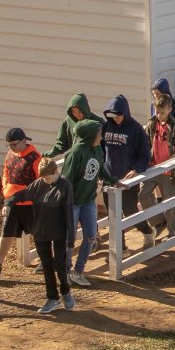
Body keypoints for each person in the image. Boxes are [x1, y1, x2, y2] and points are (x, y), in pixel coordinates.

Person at [99, 94, 152, 251]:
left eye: (119, 115)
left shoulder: (135, 129)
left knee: (130, 211)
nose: (116, 118)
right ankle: (120, 249)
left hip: (127, 179)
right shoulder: (106, 127)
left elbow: (145, 154)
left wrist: (136, 169)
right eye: (114, 115)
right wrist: (101, 172)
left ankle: (148, 231)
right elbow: (100, 151)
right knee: (113, 215)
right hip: (109, 178)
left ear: (125, 112)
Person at [59, 118, 106, 286]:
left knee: (91, 236)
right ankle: (65, 271)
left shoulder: (97, 149)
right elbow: (66, 181)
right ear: (90, 135)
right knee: (68, 238)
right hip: (73, 202)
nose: (101, 136)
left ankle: (78, 271)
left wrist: (113, 180)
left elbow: (101, 169)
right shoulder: (75, 153)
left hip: (89, 201)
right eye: (99, 133)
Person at [24, 157, 75, 314]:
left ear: (55, 172)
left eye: (48, 177)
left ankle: (65, 291)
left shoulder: (65, 185)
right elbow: (23, 196)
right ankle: (52, 297)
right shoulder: (39, 184)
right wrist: (8, 204)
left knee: (59, 263)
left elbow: (68, 211)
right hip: (40, 230)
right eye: (43, 177)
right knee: (46, 264)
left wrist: (71, 236)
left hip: (58, 230)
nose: (45, 180)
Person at [0, 127, 42, 282]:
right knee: (6, 233)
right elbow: (6, 173)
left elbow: (40, 181)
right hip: (11, 202)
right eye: (9, 145)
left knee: (38, 234)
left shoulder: (35, 157)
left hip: (29, 203)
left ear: (24, 141)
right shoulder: (10, 154)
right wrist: (6, 191)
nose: (12, 148)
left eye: (14, 144)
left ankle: (46, 261)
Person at [142, 91, 175, 243]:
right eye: (157, 112)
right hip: (152, 167)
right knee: (143, 195)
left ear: (169, 110)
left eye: (162, 113)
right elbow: (145, 144)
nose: (159, 115)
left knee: (169, 202)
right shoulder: (151, 124)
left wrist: (171, 159)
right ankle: (158, 221)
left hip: (169, 170)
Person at [55, 92, 100, 157]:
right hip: (75, 160)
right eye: (74, 112)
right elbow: (61, 145)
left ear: (85, 109)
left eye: (79, 111)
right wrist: (45, 155)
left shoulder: (97, 122)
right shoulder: (68, 121)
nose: (77, 115)